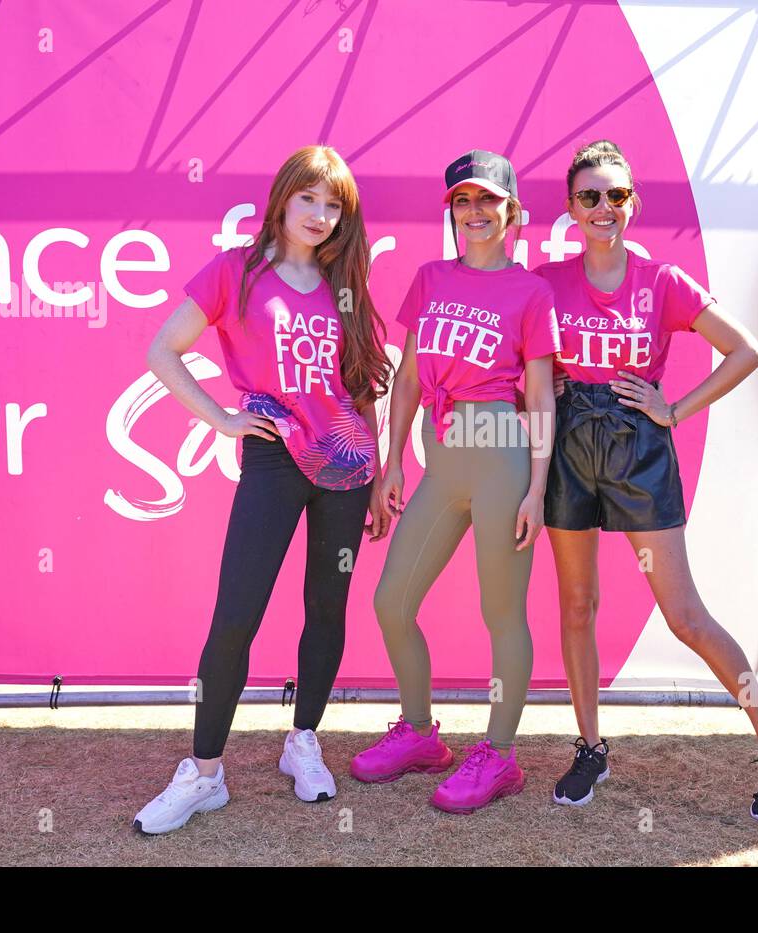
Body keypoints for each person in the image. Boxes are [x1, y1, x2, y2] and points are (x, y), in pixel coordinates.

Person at [537, 140, 758, 823]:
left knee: (684, 616)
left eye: (616, 195)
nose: (603, 207)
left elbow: (747, 350)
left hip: (638, 456)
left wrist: (675, 409)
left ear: (633, 203)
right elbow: (518, 364)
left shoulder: (662, 281)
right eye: (590, 196)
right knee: (577, 607)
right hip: (569, 453)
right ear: (571, 207)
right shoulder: (546, 283)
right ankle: (591, 748)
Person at [134, 146, 392, 834]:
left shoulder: (344, 283)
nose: (320, 215)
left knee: (327, 608)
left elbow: (362, 387)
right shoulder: (236, 272)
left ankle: (302, 741)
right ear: (282, 199)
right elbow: (163, 350)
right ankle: (204, 774)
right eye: (309, 198)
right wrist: (222, 419)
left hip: (346, 469)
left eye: (333, 205)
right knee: (236, 615)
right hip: (274, 460)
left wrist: (376, 474)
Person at [348, 149, 559, 814]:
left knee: (502, 614)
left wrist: (537, 489)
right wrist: (391, 462)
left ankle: (500, 755)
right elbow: (410, 376)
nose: (475, 212)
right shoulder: (431, 278)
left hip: (501, 459)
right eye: (463, 201)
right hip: (441, 462)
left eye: (487, 200)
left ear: (511, 210)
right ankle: (419, 733)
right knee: (391, 601)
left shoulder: (531, 291)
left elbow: (541, 395)